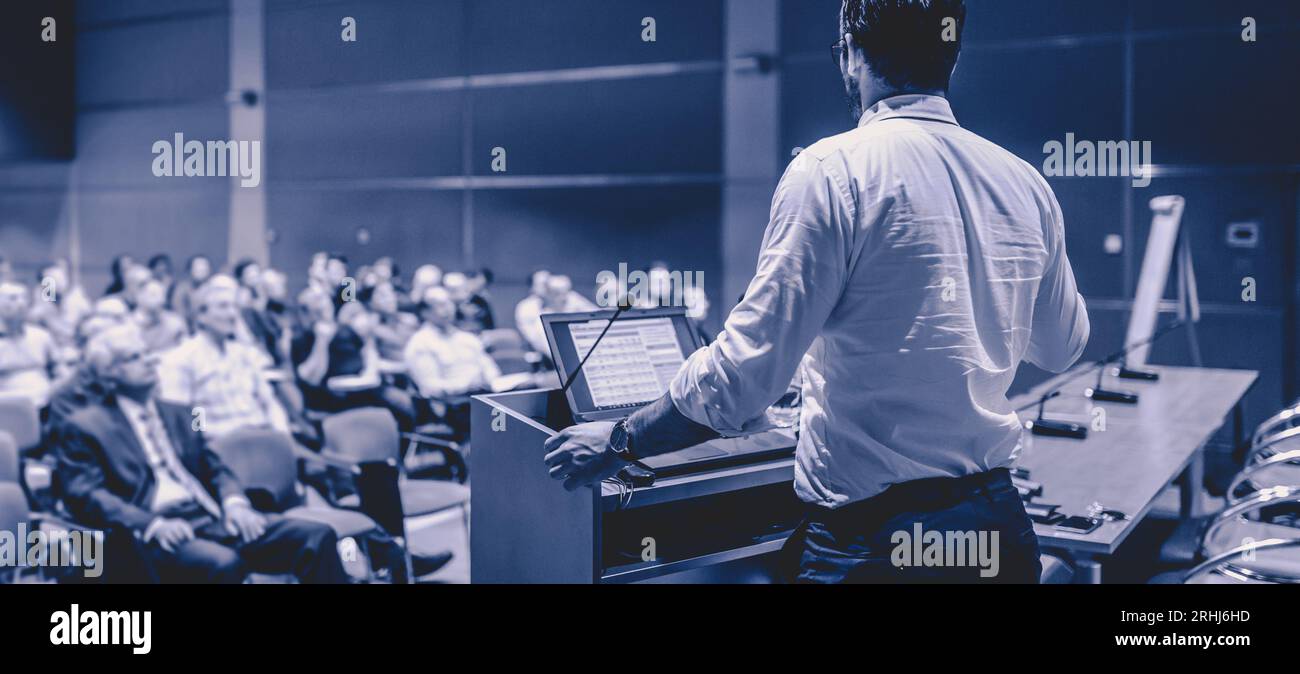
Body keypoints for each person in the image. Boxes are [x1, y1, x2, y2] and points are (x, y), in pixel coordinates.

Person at [543, 0, 1089, 584]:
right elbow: (1063, 347)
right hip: (996, 530)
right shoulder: (1025, 183)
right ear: (952, 56)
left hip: (877, 544)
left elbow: (741, 381)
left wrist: (621, 440)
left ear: (850, 52)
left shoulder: (831, 170)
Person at [54, 323, 348, 584]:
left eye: (147, 353)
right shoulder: (83, 426)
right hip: (151, 531)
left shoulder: (183, 413)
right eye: (135, 357)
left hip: (209, 513)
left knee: (315, 536)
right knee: (223, 564)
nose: (150, 360)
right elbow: (87, 494)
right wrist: (150, 524)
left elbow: (213, 465)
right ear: (109, 373)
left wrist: (235, 503)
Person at [158, 276, 291, 440]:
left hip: (263, 436)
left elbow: (269, 402)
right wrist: (205, 437)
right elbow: (185, 416)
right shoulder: (182, 359)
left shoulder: (245, 354)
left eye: (235, 306)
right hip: (221, 443)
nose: (232, 314)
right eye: (223, 306)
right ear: (201, 315)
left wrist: (282, 434)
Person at [404, 287, 500, 436]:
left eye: (449, 302)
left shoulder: (467, 338)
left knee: (524, 395)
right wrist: (466, 385)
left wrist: (489, 380)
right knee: (497, 417)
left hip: (482, 396)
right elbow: (430, 388)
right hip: (450, 407)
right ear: (425, 312)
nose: (447, 308)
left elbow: (490, 368)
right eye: (440, 305)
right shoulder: (420, 343)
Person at [0, 282, 65, 412]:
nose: (21, 303)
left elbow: (58, 368)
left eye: (24, 298)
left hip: (47, 402)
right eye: (13, 298)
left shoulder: (41, 335)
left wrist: (60, 384)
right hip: (8, 407)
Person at [515, 273, 595, 355]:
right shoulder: (529, 308)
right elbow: (542, 345)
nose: (563, 298)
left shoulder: (571, 298)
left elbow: (597, 315)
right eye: (543, 284)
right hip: (546, 356)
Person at [133, 279, 187, 353]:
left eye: (162, 295)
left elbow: (185, 349)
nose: (161, 300)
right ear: (139, 297)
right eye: (153, 295)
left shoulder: (175, 322)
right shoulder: (130, 325)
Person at [171, 254, 212, 330]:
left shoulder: (213, 288)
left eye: (204, 268)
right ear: (189, 270)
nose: (201, 270)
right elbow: (178, 312)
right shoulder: (182, 289)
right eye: (197, 268)